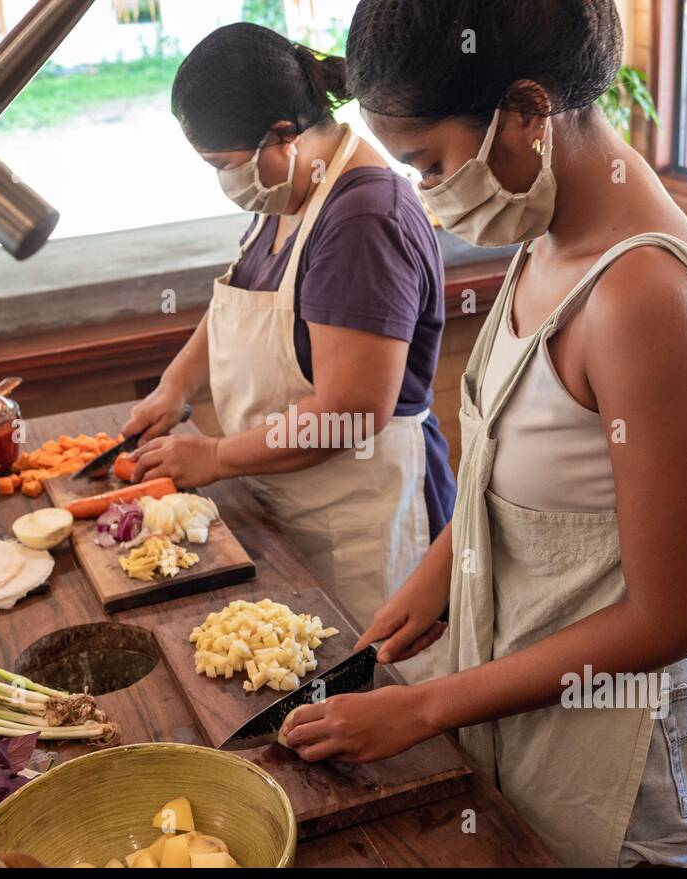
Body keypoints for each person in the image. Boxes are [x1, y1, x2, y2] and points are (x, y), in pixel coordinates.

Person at [283, 0, 687, 867]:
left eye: (429, 164)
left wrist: (422, 708)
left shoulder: (643, 298)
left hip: (617, 752)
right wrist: (443, 563)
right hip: (521, 700)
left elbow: (670, 616)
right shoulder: (548, 225)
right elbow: (516, 465)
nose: (427, 194)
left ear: (528, 112)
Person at [124, 23, 455, 678]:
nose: (226, 182)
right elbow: (237, 304)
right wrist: (174, 386)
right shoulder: (291, 188)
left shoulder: (364, 219)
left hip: (362, 520)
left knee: (372, 690)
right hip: (291, 503)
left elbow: (350, 411)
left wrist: (215, 455)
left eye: (224, 166)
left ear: (282, 133)